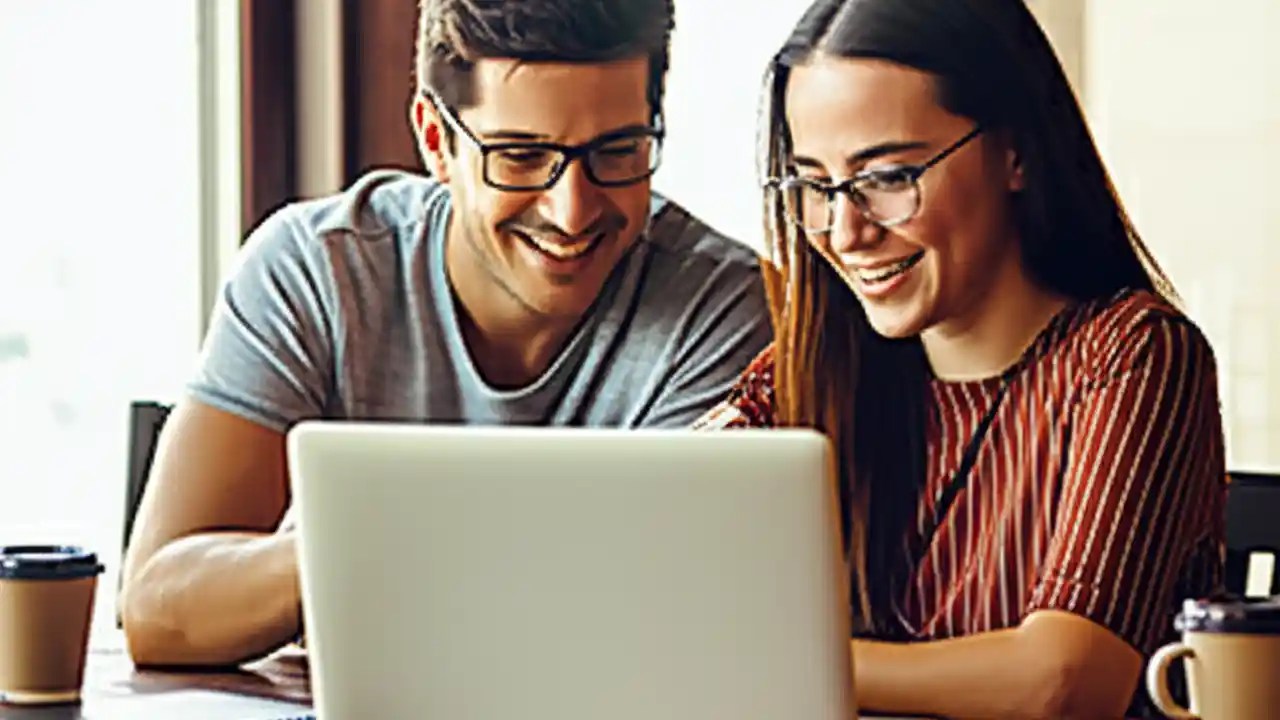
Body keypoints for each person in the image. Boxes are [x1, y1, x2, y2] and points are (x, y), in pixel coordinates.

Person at [121, 0, 770, 667]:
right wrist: (373, 536)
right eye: (521, 156)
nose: (572, 211)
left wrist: (412, 544)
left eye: (617, 151)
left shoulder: (723, 310)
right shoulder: (317, 270)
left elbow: (658, 629)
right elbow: (155, 610)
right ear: (436, 140)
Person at [697, 0, 1226, 716]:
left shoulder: (1134, 356)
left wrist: (785, 664)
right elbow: (655, 564)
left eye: (888, 177)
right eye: (815, 186)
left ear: (1016, 153)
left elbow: (1066, 682)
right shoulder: (809, 367)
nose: (844, 232)